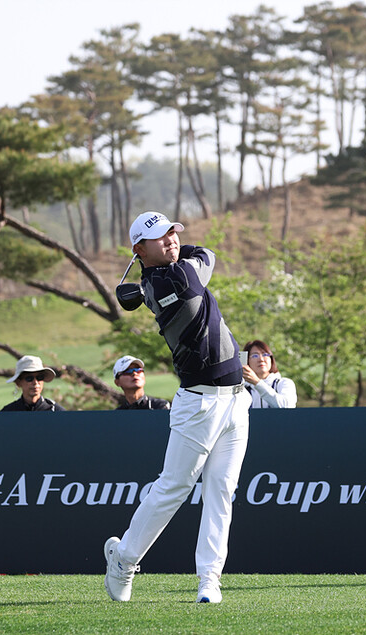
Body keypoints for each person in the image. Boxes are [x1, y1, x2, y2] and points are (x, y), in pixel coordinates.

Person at [104, 211, 250, 605]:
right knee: (173, 487)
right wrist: (179, 252)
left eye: (173, 233)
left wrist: (164, 249)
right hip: (199, 404)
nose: (171, 240)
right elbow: (208, 255)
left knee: (221, 491)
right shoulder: (176, 278)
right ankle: (124, 560)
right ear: (139, 249)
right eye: (160, 237)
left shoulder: (158, 277)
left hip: (236, 401)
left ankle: (209, 580)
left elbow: (193, 252)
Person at [241, 340, 297, 408]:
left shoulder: (283, 383)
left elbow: (286, 407)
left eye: (265, 354)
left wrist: (257, 382)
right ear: (247, 361)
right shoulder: (242, 389)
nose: (261, 359)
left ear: (271, 359)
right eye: (255, 356)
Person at [0, 355, 65, 412]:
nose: (35, 382)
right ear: (18, 382)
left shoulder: (55, 411)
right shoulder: (8, 412)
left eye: (39, 377)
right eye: (29, 378)